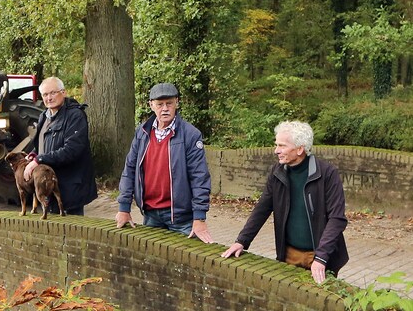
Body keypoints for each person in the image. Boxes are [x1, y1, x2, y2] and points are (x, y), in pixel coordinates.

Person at [221, 120, 348, 284]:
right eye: (276, 145)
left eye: (282, 146)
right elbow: (262, 209)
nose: (276, 151)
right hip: (288, 254)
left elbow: (337, 218)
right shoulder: (277, 172)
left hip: (320, 257)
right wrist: (242, 241)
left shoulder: (327, 174)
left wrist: (322, 257)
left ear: (300, 149)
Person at [116, 83, 213, 242]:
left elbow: (199, 177)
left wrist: (199, 218)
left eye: (169, 103)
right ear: (151, 105)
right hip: (151, 215)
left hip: (182, 218)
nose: (165, 108)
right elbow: (130, 170)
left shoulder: (190, 135)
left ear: (177, 102)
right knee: (153, 262)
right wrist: (124, 208)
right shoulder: (142, 133)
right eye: (160, 104)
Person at [22, 77, 97, 216]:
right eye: (45, 94)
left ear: (63, 92)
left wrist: (39, 160)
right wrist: (33, 155)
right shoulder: (44, 116)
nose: (49, 98)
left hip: (69, 186)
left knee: (71, 231)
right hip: (49, 184)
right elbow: (42, 145)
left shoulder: (75, 116)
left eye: (53, 93)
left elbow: (72, 150)